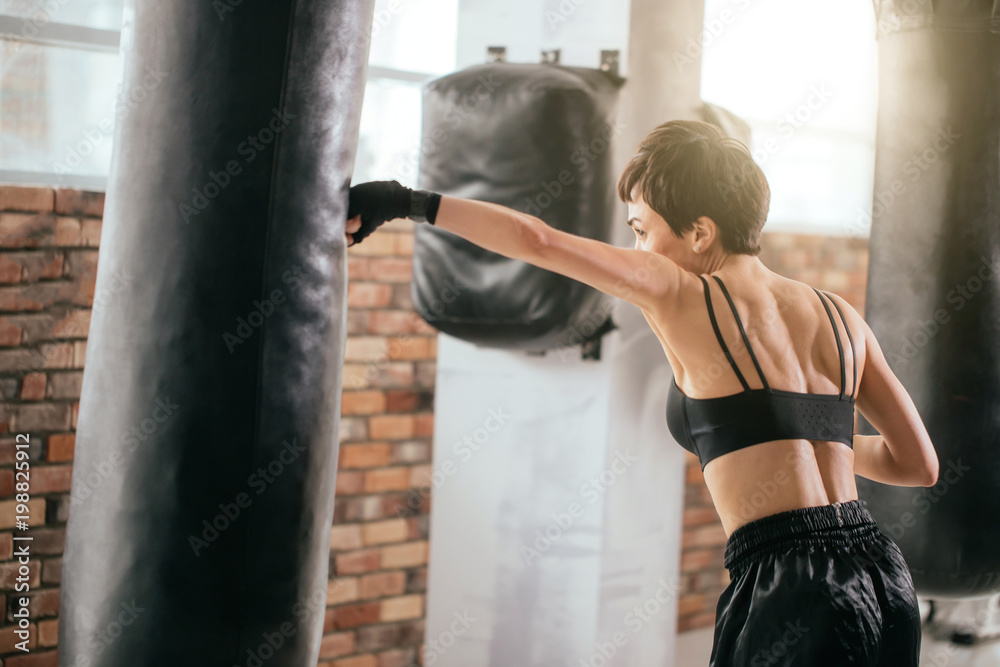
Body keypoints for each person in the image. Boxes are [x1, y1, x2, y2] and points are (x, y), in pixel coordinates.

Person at [344, 119, 939, 666]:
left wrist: (406, 202)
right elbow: (918, 465)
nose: (636, 252)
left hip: (790, 587)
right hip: (882, 577)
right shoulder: (841, 318)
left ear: (700, 232)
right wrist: (804, 436)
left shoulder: (678, 290)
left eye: (641, 231)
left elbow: (539, 242)